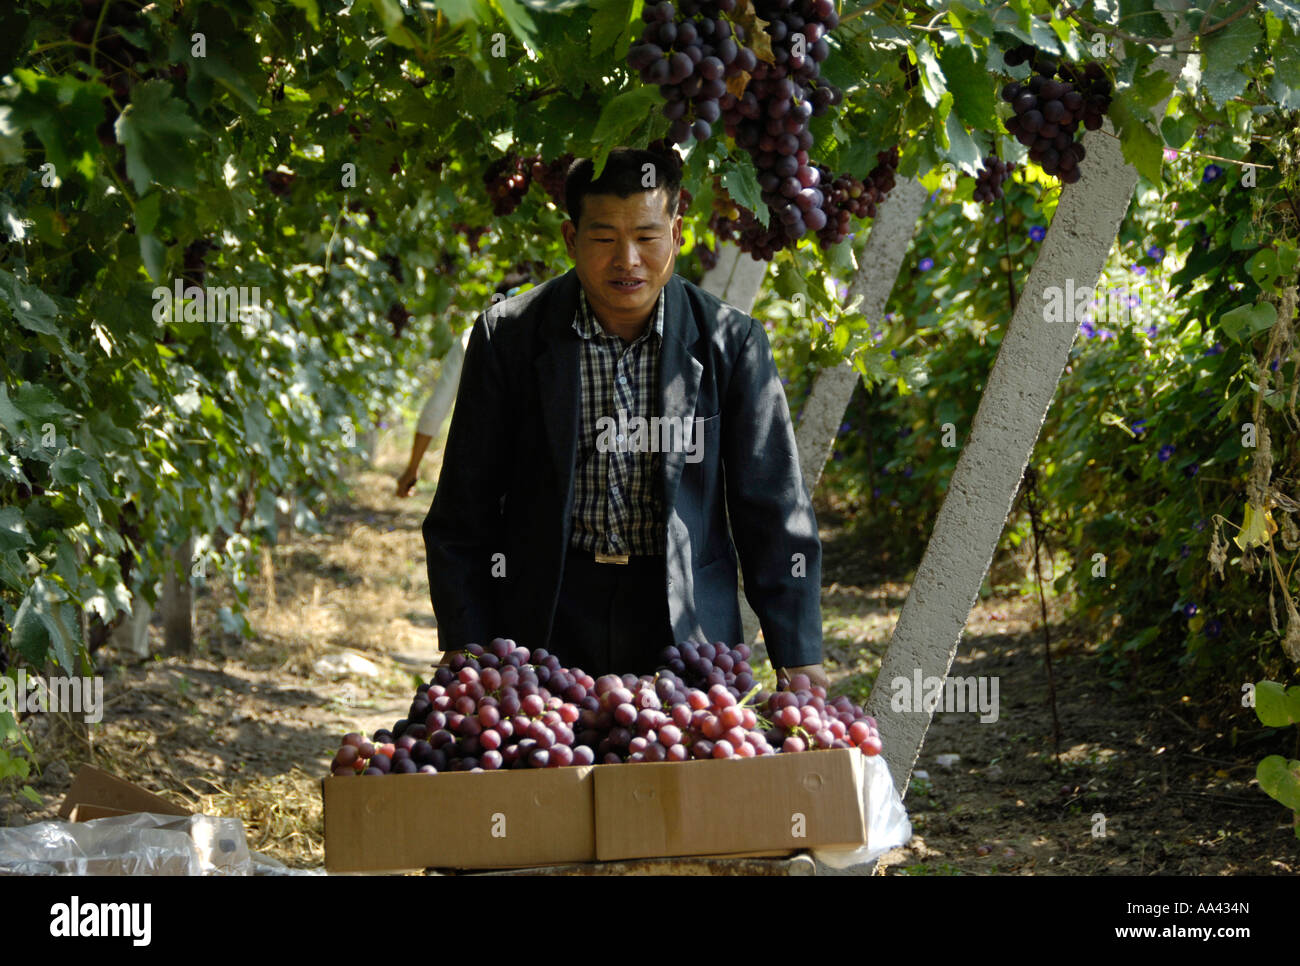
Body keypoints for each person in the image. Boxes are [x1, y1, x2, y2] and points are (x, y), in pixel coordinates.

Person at [423, 146, 828, 689]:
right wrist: (465, 641)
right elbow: (462, 510)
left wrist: (797, 652)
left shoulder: (732, 344)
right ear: (571, 239)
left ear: (677, 232)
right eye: (604, 238)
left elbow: (774, 509)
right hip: (544, 615)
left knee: (682, 768)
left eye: (646, 236)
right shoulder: (508, 339)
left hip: (685, 620)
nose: (627, 260)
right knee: (549, 764)